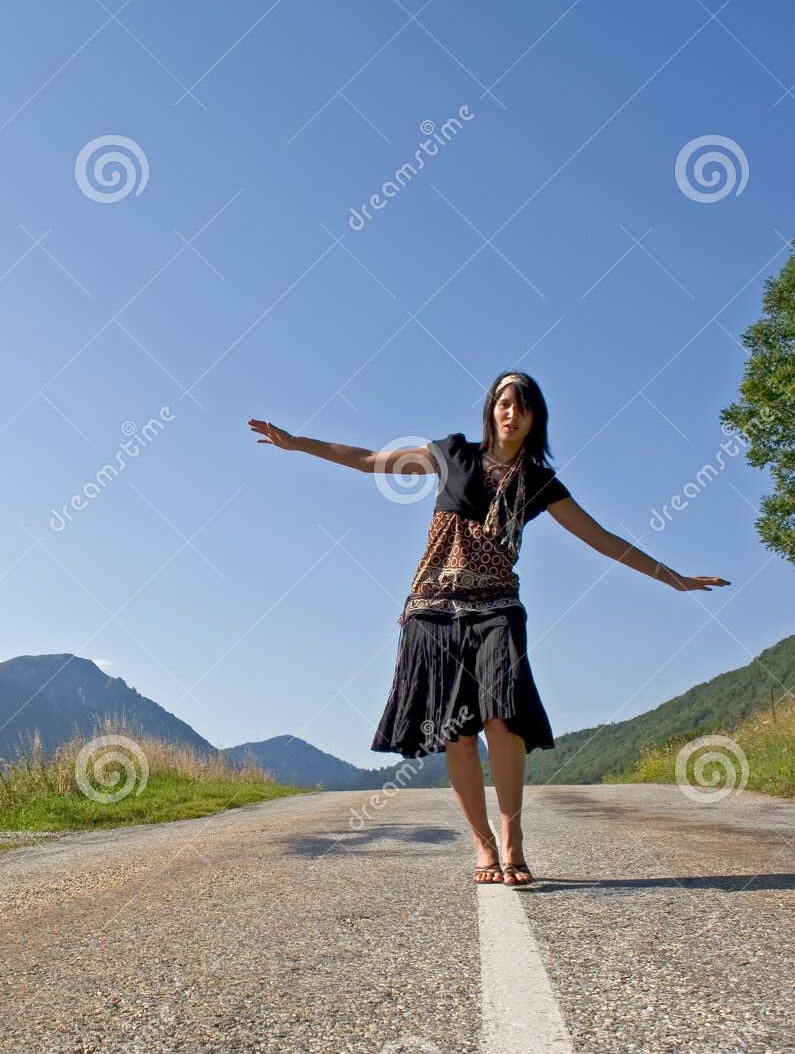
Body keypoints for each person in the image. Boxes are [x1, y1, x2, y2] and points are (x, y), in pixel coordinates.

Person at [247, 373, 729, 886]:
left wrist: (671, 578)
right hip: (433, 608)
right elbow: (370, 461)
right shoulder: (453, 454)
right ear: (491, 410)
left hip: (497, 606)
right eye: (503, 402)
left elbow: (602, 539)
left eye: (522, 405)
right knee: (456, 733)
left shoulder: (540, 483)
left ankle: (513, 839)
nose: (511, 412)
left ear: (535, 417)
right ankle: (483, 846)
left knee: (503, 720)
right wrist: (298, 443)